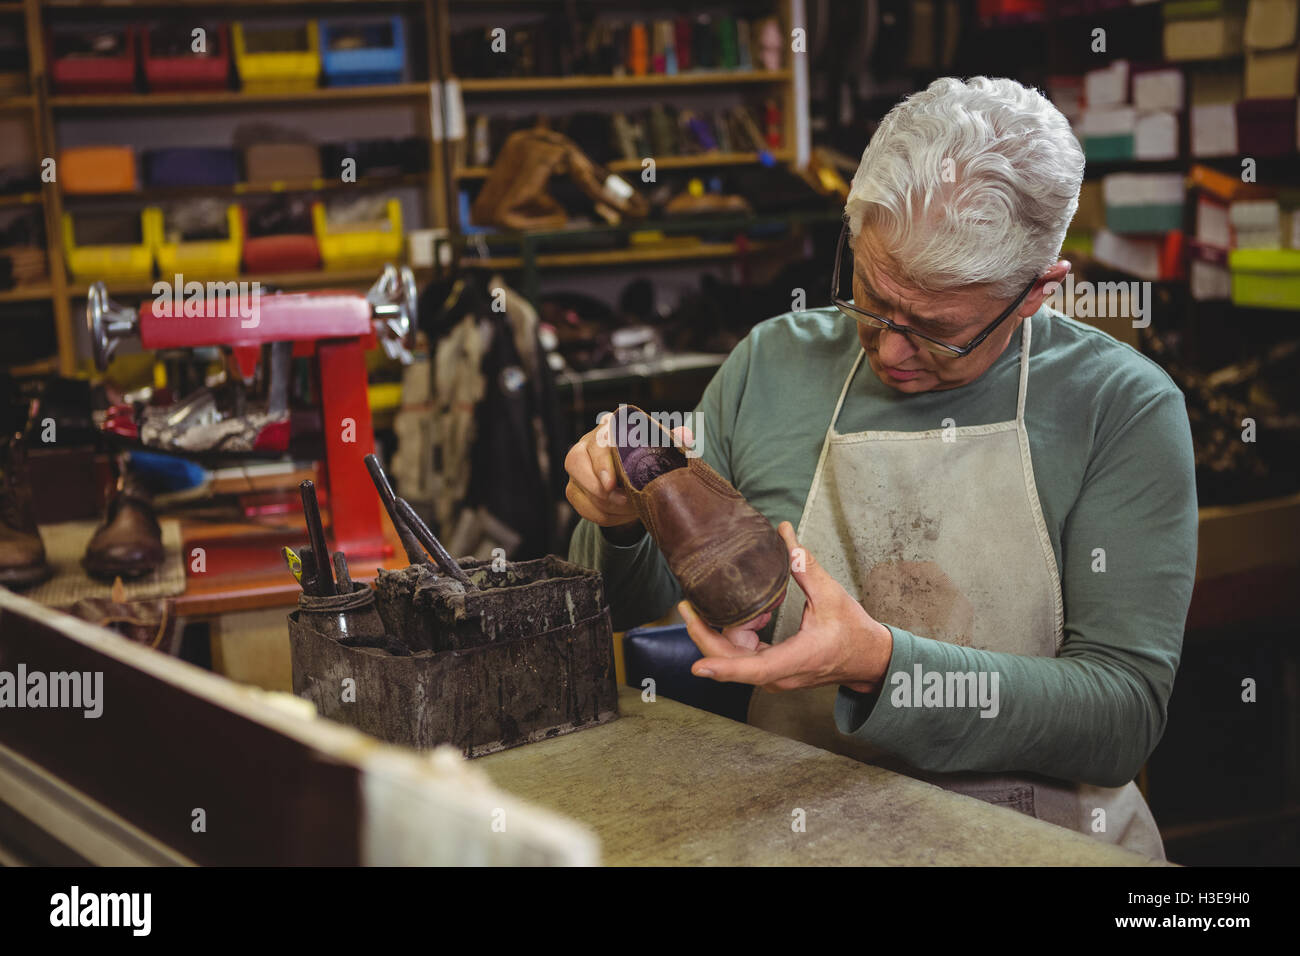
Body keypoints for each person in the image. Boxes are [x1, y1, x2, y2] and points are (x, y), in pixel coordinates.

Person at [565, 77, 1197, 859]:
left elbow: (1121, 715)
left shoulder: (1120, 407)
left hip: (1042, 842)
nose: (892, 352)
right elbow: (626, 608)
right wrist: (621, 517)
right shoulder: (772, 365)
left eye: (940, 332)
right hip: (802, 831)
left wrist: (885, 668)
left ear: (1038, 291)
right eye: (870, 300)